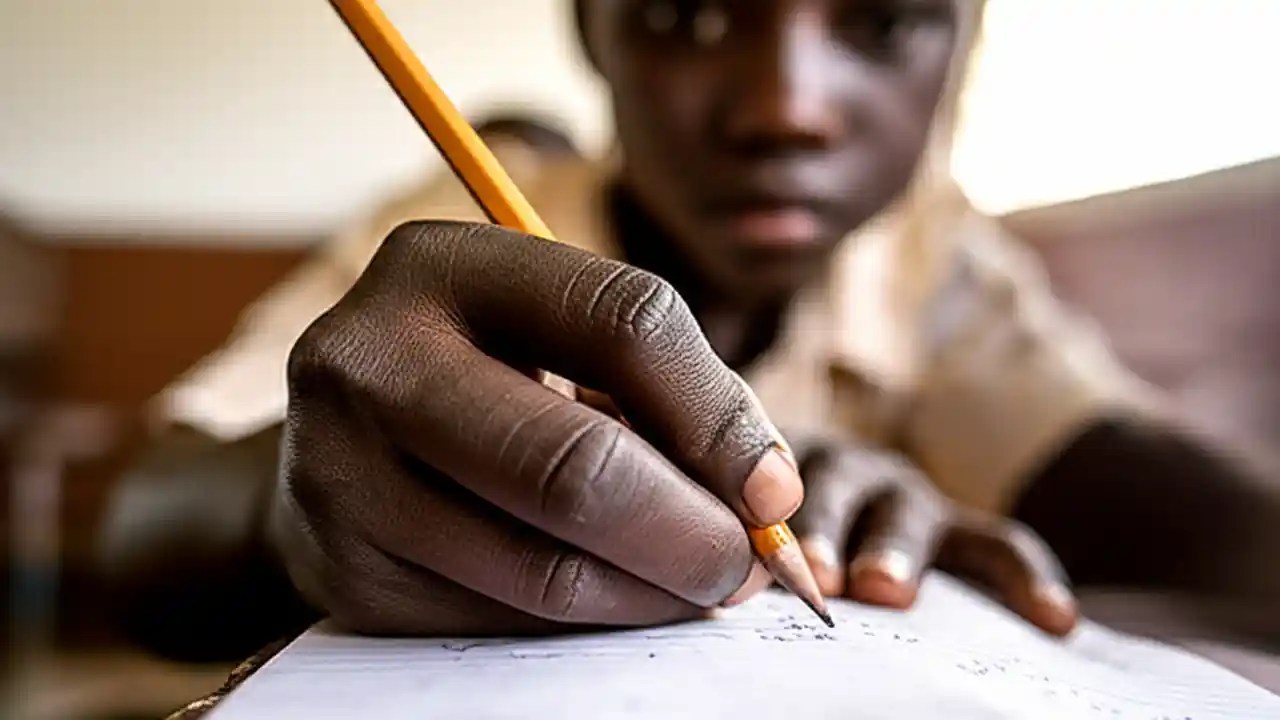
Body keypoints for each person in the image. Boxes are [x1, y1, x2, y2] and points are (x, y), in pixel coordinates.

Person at [101, 0, 1280, 663]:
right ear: (589, 29)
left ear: (966, 43)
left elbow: (1161, 500)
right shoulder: (459, 218)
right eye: (691, 11)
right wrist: (292, 506)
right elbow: (143, 531)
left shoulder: (929, 258)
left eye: (881, 21)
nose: (785, 110)